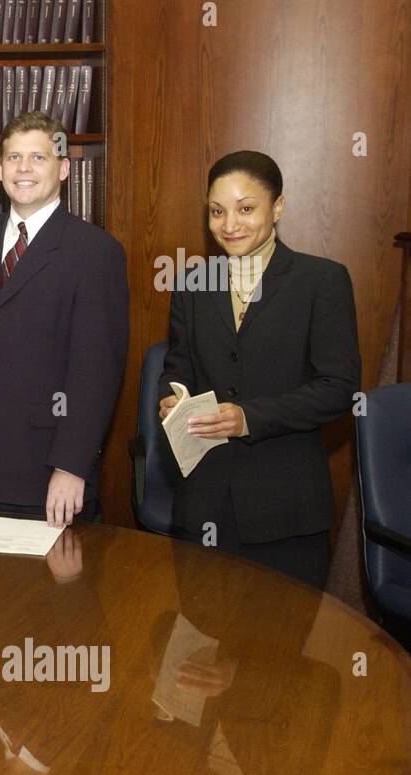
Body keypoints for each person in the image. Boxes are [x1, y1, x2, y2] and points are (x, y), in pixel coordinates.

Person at [159, 150, 360, 588]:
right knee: (198, 651)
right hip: (203, 504)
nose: (229, 225)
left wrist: (249, 417)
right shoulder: (192, 284)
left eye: (246, 208)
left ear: (279, 208)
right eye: (217, 211)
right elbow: (177, 366)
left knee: (278, 652)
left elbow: (339, 387)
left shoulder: (321, 281)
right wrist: (173, 396)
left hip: (286, 510)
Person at [0, 111, 129, 526]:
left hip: (45, 471)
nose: (23, 169)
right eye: (14, 158)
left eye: (38, 158)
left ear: (64, 168)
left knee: (46, 590)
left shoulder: (95, 253)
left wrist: (72, 466)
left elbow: (96, 374)